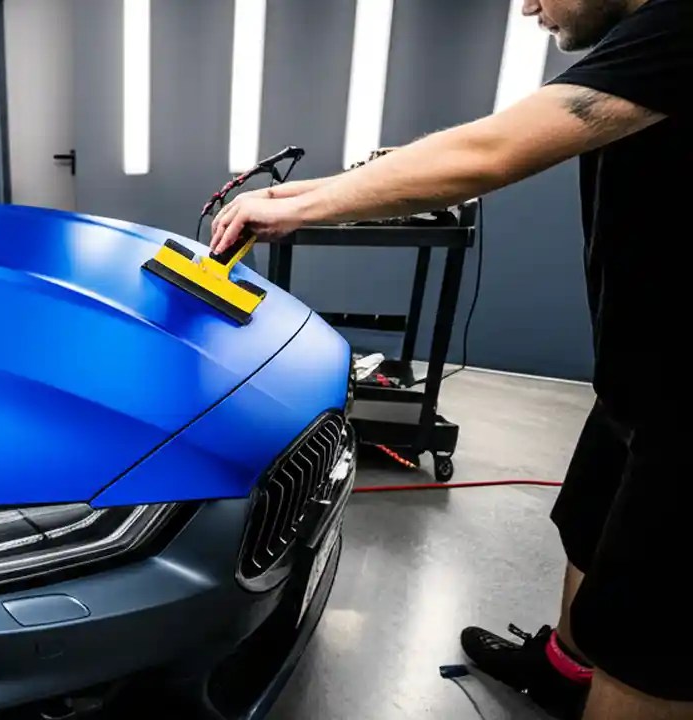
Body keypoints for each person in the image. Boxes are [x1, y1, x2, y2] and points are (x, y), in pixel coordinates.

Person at [210, 1, 690, 719]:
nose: (528, 4)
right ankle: (563, 671)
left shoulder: (684, 27)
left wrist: (296, 211)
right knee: (590, 525)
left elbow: (488, 154)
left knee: (643, 641)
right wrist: (294, 193)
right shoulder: (642, 44)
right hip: (641, 379)